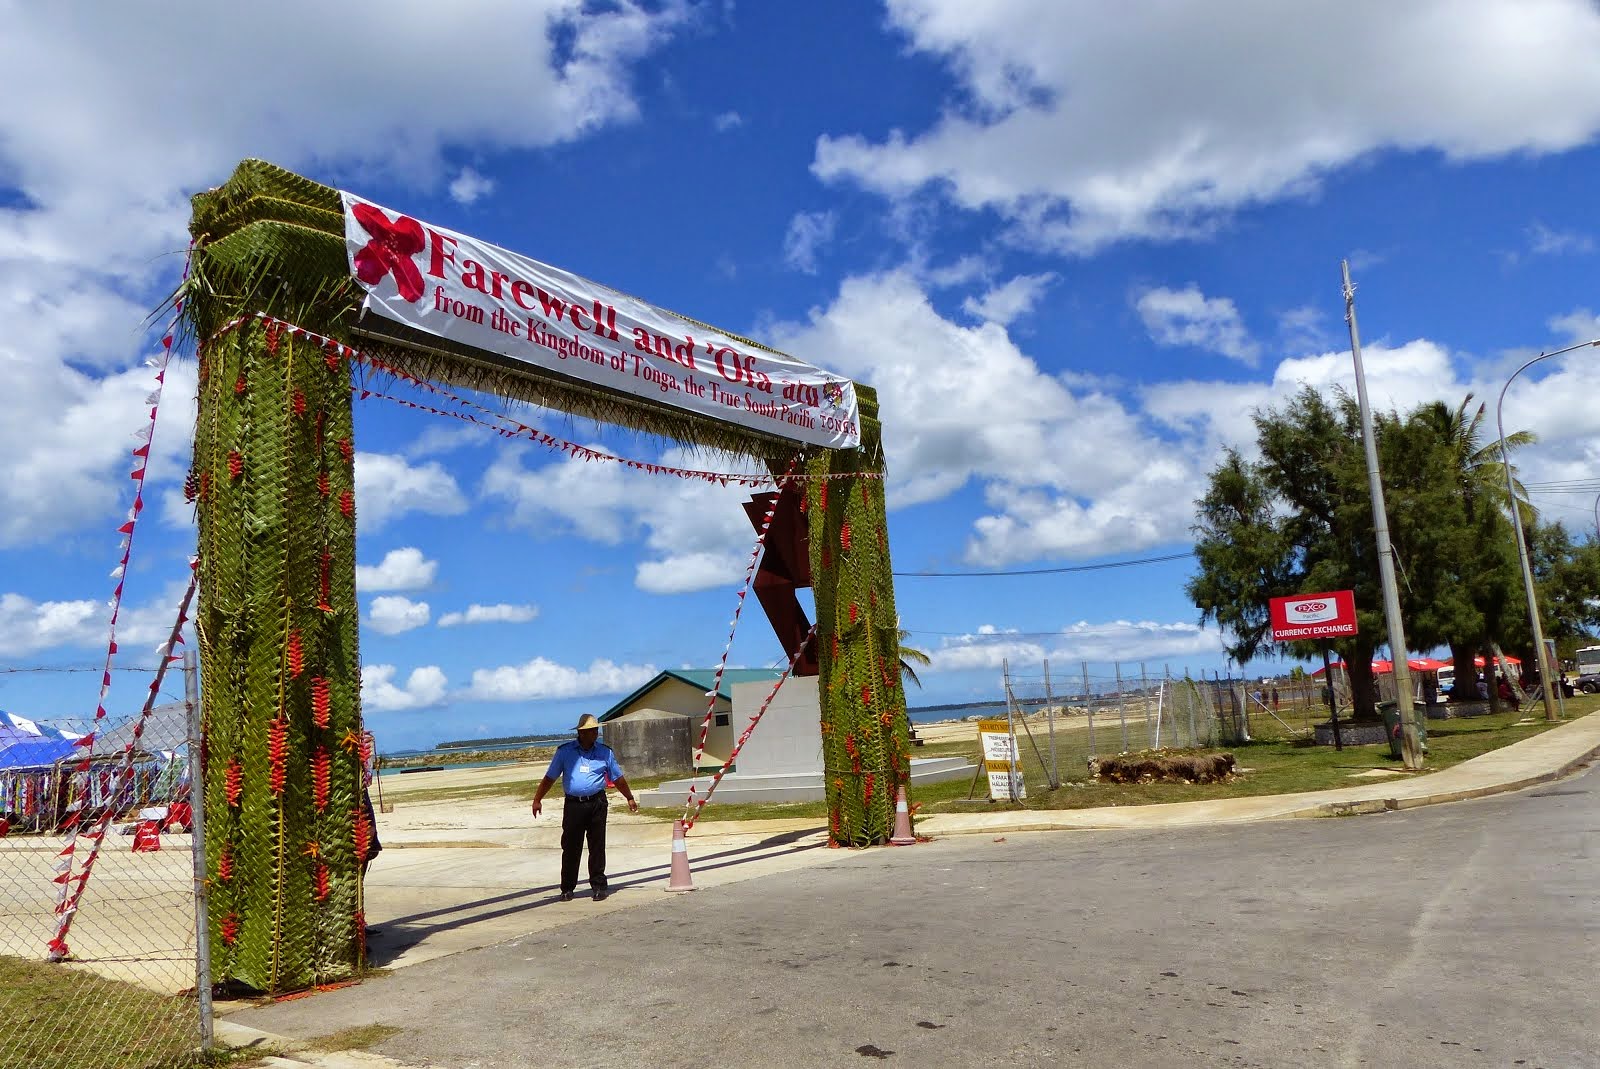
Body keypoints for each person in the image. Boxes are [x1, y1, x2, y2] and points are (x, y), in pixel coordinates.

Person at [531, 714, 638, 901]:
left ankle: (598, 886)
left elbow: (617, 778)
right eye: (591, 730)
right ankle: (567, 888)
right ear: (581, 733)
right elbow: (550, 777)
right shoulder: (565, 752)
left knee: (597, 846)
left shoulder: (605, 752)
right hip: (574, 805)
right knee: (571, 847)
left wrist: (629, 797)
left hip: (597, 802)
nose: (596, 733)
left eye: (596, 730)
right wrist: (538, 799)